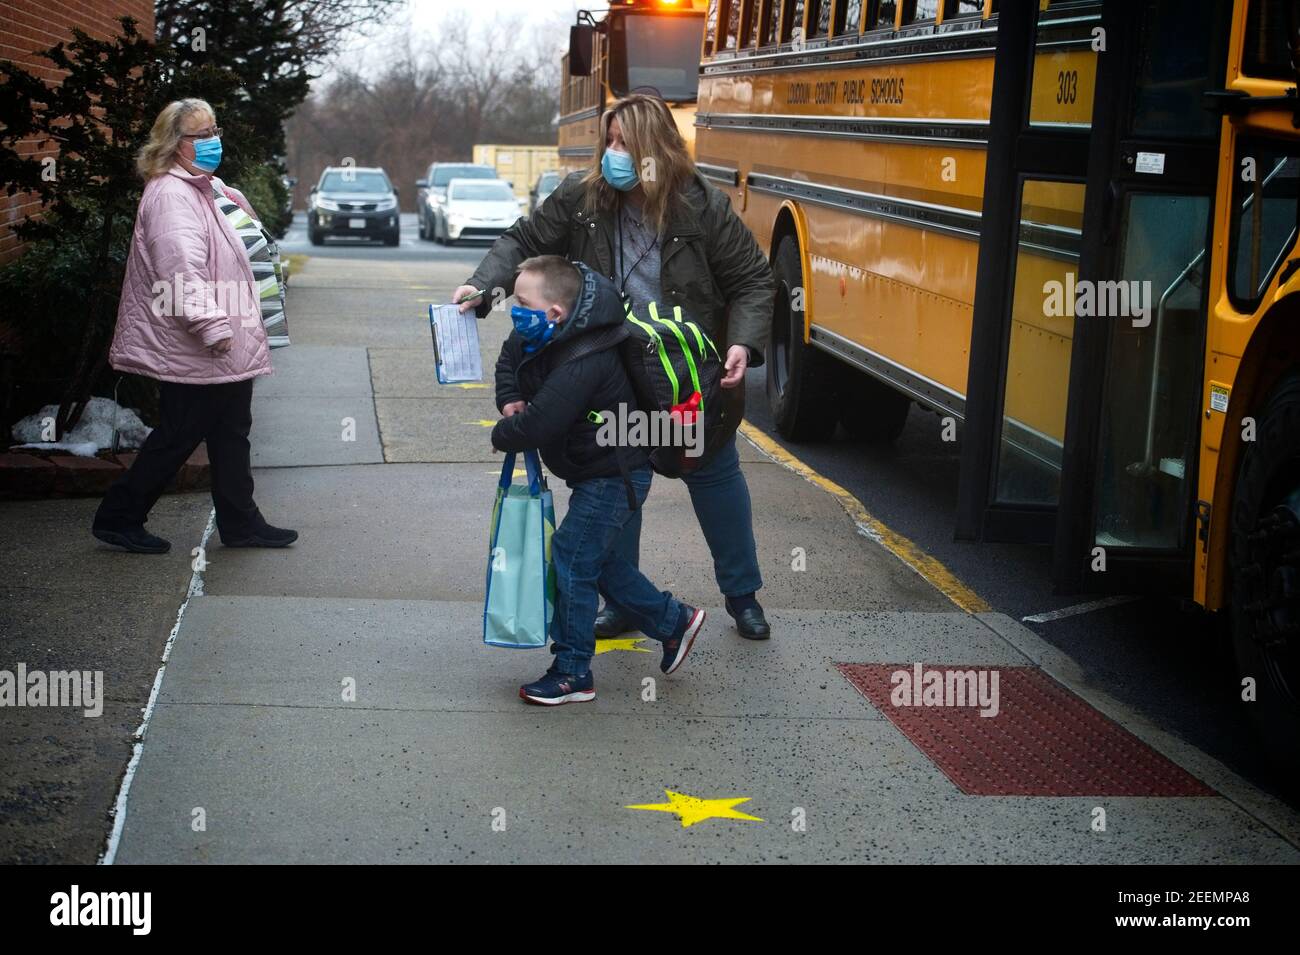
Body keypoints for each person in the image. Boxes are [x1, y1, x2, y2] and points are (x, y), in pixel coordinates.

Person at [454, 93, 776, 640]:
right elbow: (525, 241)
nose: (613, 153)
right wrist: (484, 285)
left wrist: (743, 344)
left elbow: (752, 280)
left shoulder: (702, 207)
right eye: (609, 141)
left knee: (714, 474)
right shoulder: (583, 199)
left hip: (683, 370)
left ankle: (742, 596)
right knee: (619, 477)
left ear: (656, 149)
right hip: (617, 369)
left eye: (625, 142)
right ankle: (624, 600)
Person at [492, 255, 706, 705]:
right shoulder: (541, 334)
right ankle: (674, 622)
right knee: (596, 560)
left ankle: (573, 672)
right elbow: (510, 359)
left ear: (555, 312)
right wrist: (510, 398)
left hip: (615, 474)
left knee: (571, 558)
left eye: (522, 303)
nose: (515, 311)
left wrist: (503, 432)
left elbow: (540, 425)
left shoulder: (584, 356)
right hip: (596, 469)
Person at [92, 98, 296, 554]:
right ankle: (119, 517)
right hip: (202, 341)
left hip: (229, 337)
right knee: (179, 434)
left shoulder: (208, 188)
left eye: (214, 131)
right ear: (173, 144)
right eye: (200, 136)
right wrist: (212, 327)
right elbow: (181, 271)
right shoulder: (171, 195)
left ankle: (242, 524)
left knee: (230, 433)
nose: (212, 142)